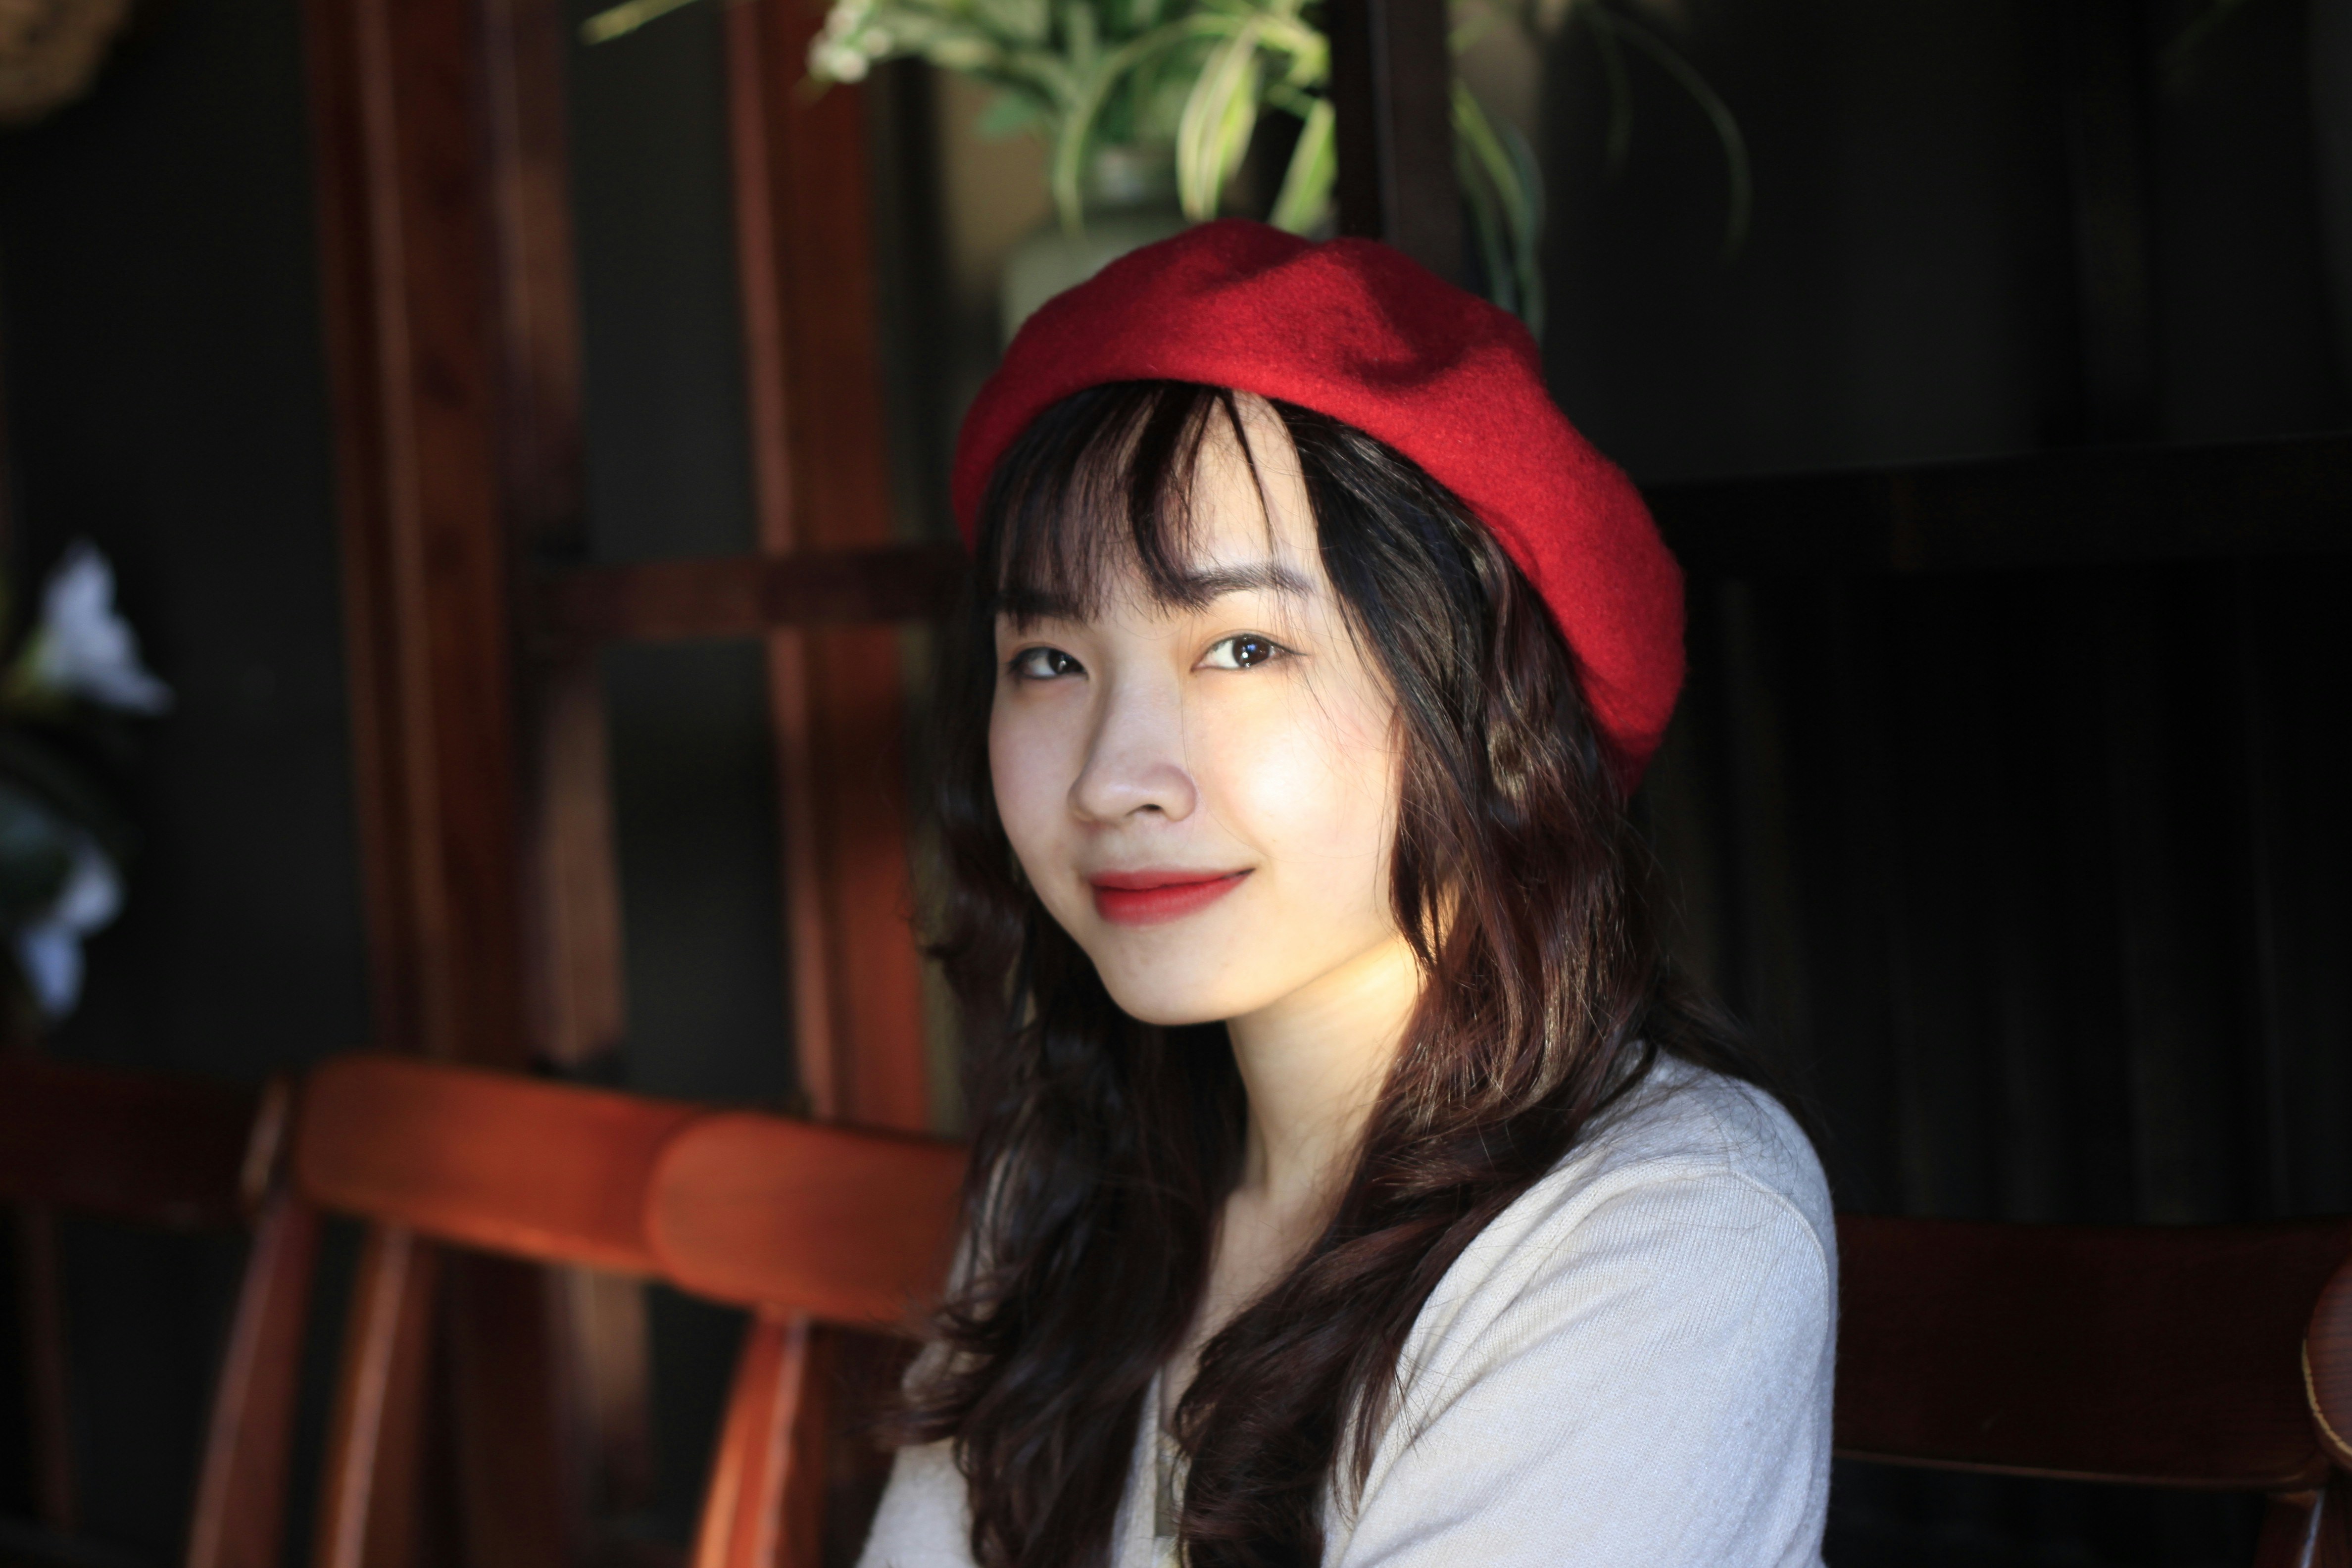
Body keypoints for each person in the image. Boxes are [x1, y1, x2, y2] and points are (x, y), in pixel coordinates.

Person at [857, 220, 1834, 1568]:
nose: (1114, 780)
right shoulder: (1070, 1180)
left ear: (1478, 702)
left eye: (1242, 646)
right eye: (1049, 660)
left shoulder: (1665, 1225)